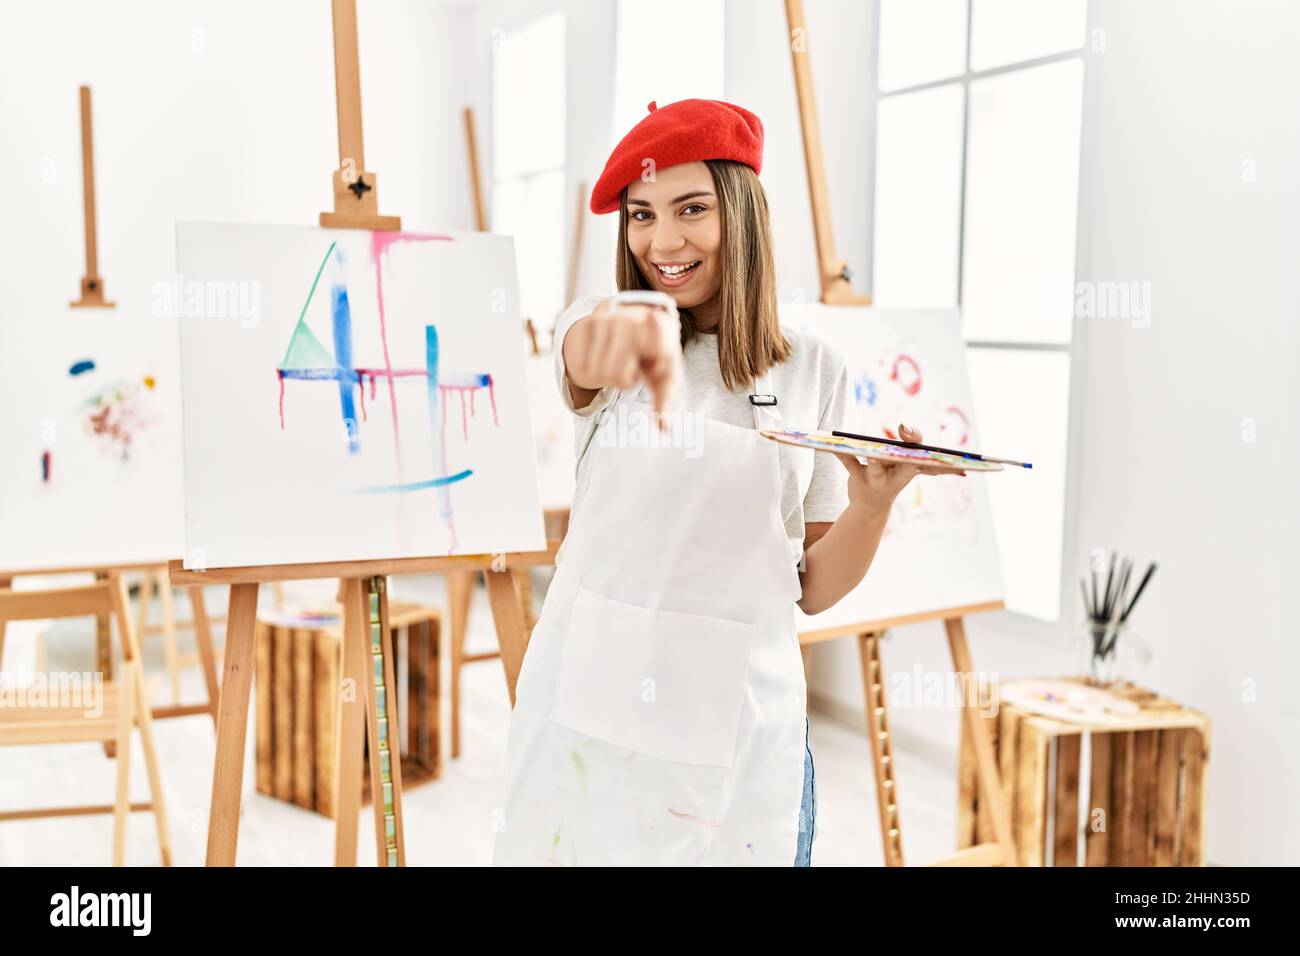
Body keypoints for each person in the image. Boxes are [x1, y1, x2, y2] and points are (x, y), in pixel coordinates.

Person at [493, 99, 960, 867]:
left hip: (742, 717)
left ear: (740, 214)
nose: (662, 240)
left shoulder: (813, 368)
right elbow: (586, 353)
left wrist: (874, 503)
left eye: (691, 209)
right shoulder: (608, 330)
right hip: (595, 707)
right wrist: (624, 340)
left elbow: (813, 586)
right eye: (641, 215)